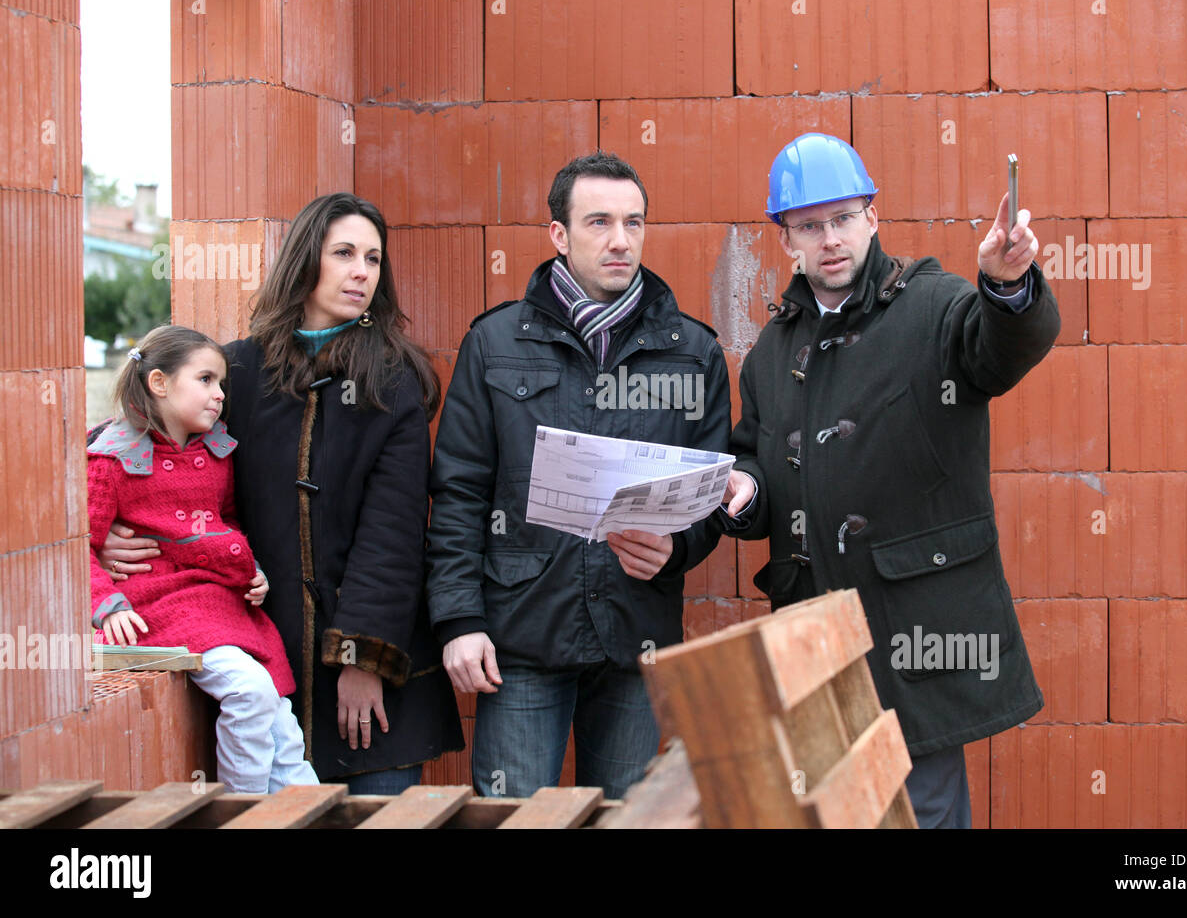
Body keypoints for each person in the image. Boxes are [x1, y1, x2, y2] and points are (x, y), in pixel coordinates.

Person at [719, 133, 1059, 827]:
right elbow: (756, 456)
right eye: (810, 226)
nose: (830, 238)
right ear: (786, 239)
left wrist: (1005, 286)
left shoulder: (933, 307)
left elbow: (1000, 350)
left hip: (917, 637)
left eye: (843, 218)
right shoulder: (773, 351)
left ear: (873, 216)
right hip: (818, 638)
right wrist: (745, 492)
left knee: (920, 813)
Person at [96, 193, 464, 794]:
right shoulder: (237, 370)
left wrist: (362, 661)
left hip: (372, 672)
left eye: (373, 258)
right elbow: (146, 444)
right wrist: (112, 525)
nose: (361, 271)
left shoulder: (393, 379)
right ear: (304, 261)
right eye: (343, 253)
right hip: (263, 649)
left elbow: (394, 534)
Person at [426, 151, 731, 799]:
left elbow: (707, 497)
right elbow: (458, 492)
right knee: (513, 817)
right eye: (599, 222)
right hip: (521, 633)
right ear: (559, 236)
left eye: (634, 222)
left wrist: (676, 547)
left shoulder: (693, 352)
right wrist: (458, 620)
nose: (621, 241)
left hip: (634, 631)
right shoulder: (496, 342)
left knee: (624, 820)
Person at [88, 324, 319, 794]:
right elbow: (76, 549)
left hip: (220, 608)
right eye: (206, 380)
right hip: (159, 611)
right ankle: (240, 814)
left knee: (281, 722)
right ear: (159, 383)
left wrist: (248, 568)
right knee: (251, 693)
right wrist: (108, 604)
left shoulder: (216, 454)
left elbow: (225, 523)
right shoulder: (112, 461)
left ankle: (309, 810)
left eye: (221, 384)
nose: (218, 396)